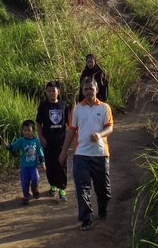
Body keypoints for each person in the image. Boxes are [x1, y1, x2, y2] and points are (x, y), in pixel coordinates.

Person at [59, 78, 113, 230]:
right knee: (82, 188)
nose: (89, 91)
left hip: (100, 154)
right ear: (82, 91)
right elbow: (71, 132)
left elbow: (110, 128)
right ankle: (86, 218)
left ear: (97, 90)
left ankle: (102, 209)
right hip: (81, 155)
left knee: (104, 190)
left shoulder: (104, 108)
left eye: (91, 88)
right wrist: (63, 152)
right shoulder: (77, 109)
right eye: (86, 89)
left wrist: (99, 135)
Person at [36, 81, 71, 202]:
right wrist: (41, 137)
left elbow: (69, 123)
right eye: (49, 91)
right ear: (46, 92)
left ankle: (62, 188)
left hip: (61, 141)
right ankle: (53, 186)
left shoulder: (64, 105)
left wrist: (70, 139)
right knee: (50, 165)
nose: (51, 93)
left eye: (53, 90)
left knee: (61, 164)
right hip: (48, 142)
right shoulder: (43, 106)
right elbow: (39, 123)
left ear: (58, 92)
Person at [6, 119, 45, 205]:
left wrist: (43, 162)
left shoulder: (36, 141)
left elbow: (40, 152)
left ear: (33, 131)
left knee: (36, 178)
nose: (26, 132)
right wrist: (8, 146)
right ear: (22, 130)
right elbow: (14, 147)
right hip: (24, 167)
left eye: (29, 130)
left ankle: (34, 189)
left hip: (33, 166)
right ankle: (26, 196)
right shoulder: (21, 140)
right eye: (25, 130)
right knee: (25, 182)